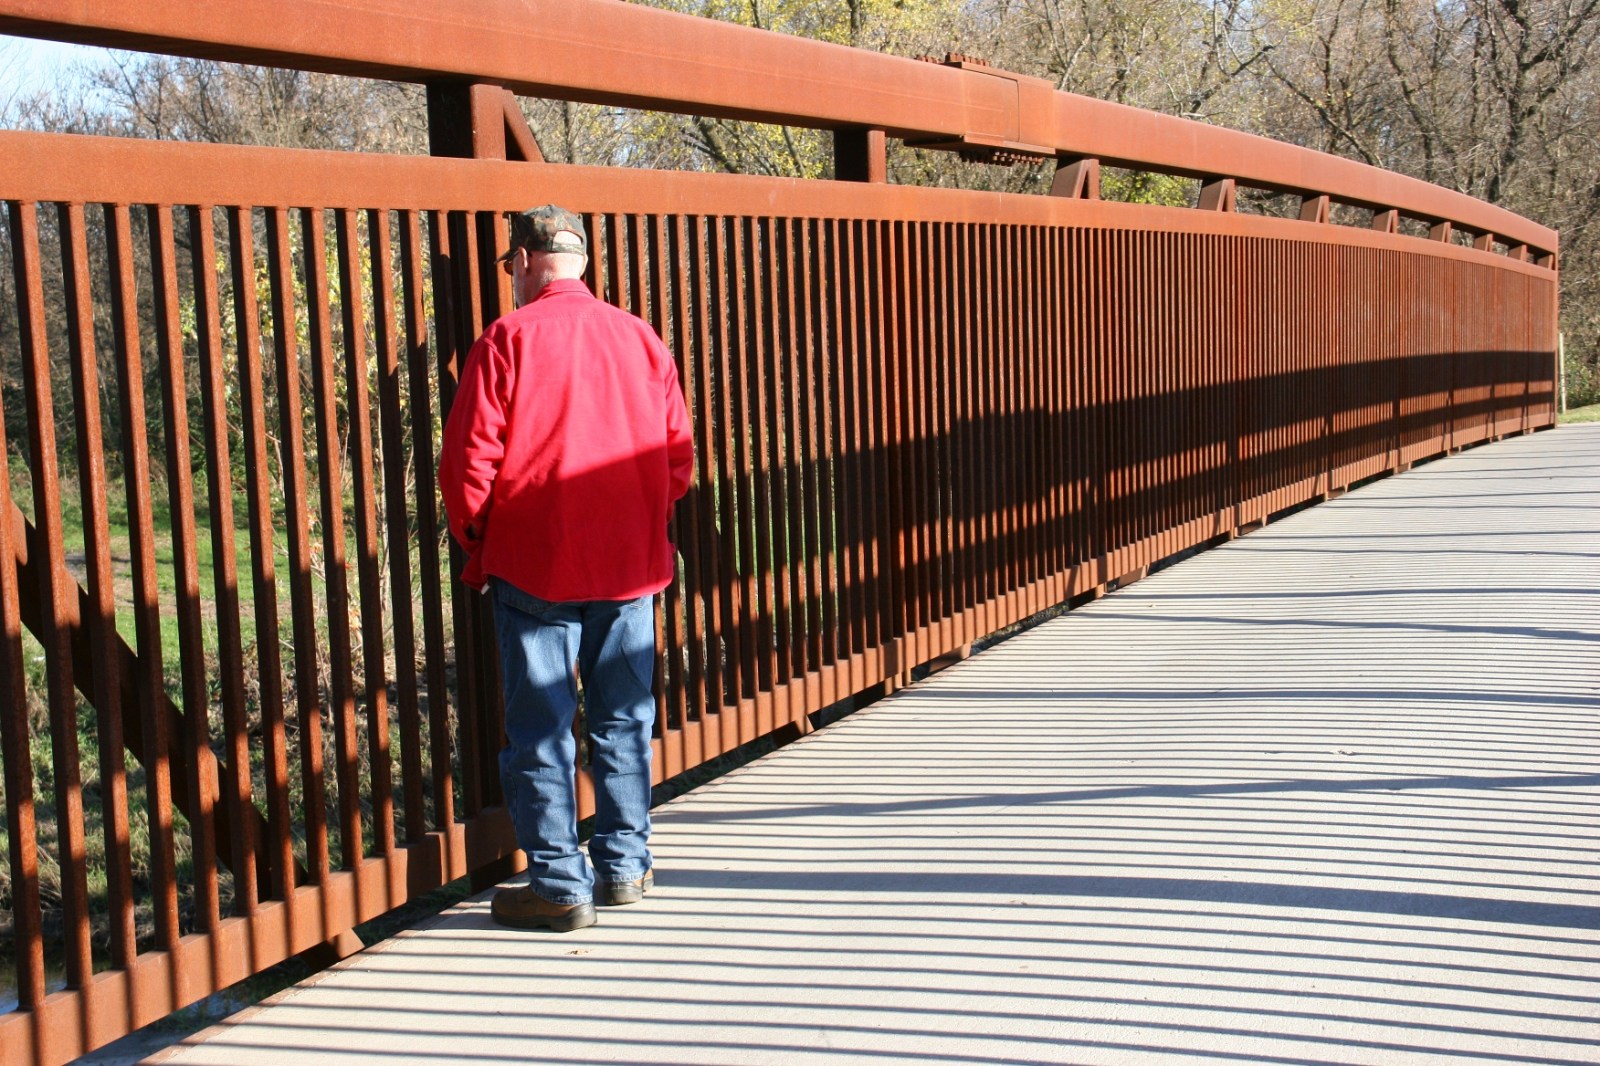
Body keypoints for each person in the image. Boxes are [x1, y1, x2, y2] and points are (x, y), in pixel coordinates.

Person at [439, 204, 694, 932]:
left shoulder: (506, 339)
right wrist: (643, 517)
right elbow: (678, 459)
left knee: (541, 729)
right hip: (630, 568)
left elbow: (467, 468)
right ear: (580, 263)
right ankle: (623, 866)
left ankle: (558, 884)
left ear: (522, 261)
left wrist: (478, 542)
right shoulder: (641, 340)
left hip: (534, 567)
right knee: (623, 717)